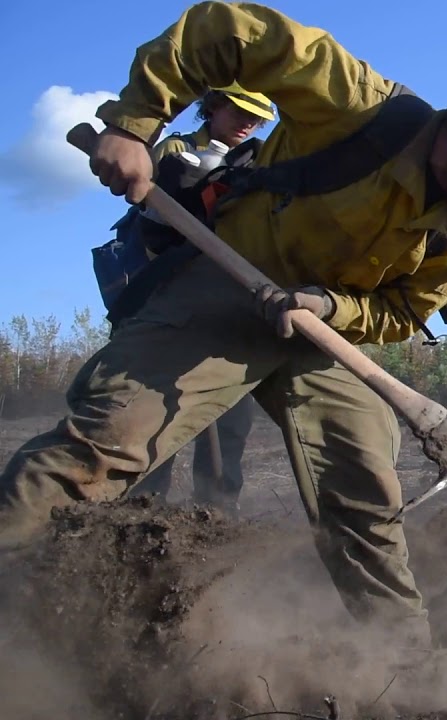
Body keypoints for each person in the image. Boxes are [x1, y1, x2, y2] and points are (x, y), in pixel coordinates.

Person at [0, 1, 447, 634]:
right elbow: (223, 30)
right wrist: (133, 122)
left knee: (367, 498)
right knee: (98, 451)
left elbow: (401, 311)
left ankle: (403, 660)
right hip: (224, 288)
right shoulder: (358, 104)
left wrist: (330, 307)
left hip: (319, 337)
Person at [129, 83, 278, 514]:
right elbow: (154, 222)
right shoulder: (176, 151)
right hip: (173, 297)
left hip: (232, 305)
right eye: (239, 111)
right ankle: (142, 511)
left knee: (229, 418)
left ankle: (216, 516)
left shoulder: (261, 161)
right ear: (213, 106)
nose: (248, 123)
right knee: (157, 411)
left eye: (257, 117)